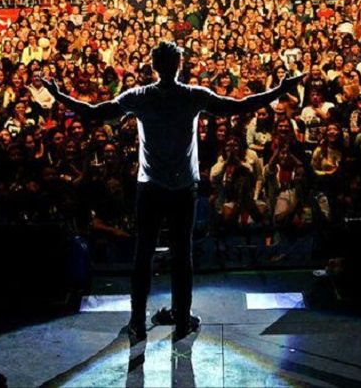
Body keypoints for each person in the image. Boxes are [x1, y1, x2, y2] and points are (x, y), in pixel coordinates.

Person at [41, 41, 302, 342]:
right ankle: (181, 318)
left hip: (150, 187)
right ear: (179, 65)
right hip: (181, 188)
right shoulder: (192, 95)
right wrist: (279, 89)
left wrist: (58, 95)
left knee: (143, 255)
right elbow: (240, 105)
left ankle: (137, 321)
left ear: (154, 66)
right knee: (182, 256)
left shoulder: (140, 96)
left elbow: (93, 112)